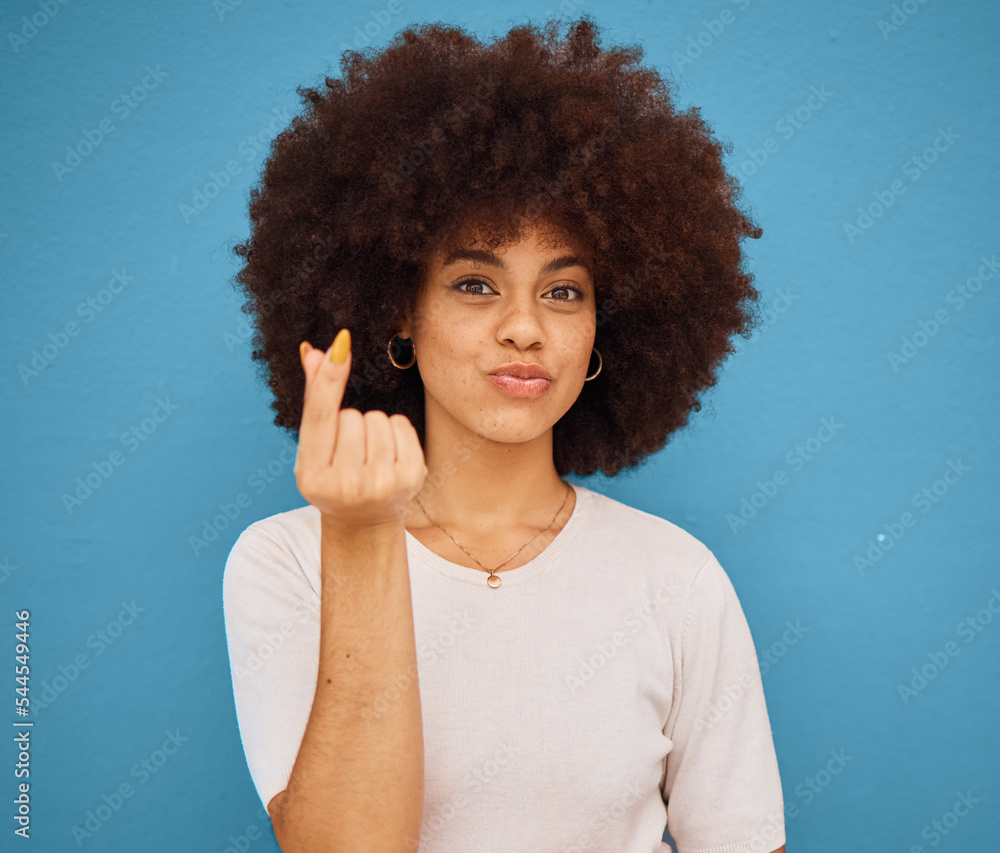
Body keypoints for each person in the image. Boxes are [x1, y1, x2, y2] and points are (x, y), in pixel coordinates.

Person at [223, 15, 786, 853]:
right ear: (398, 314)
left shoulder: (678, 578)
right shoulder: (286, 562)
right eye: (476, 283)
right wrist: (363, 532)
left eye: (563, 293)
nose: (525, 328)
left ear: (606, 328)